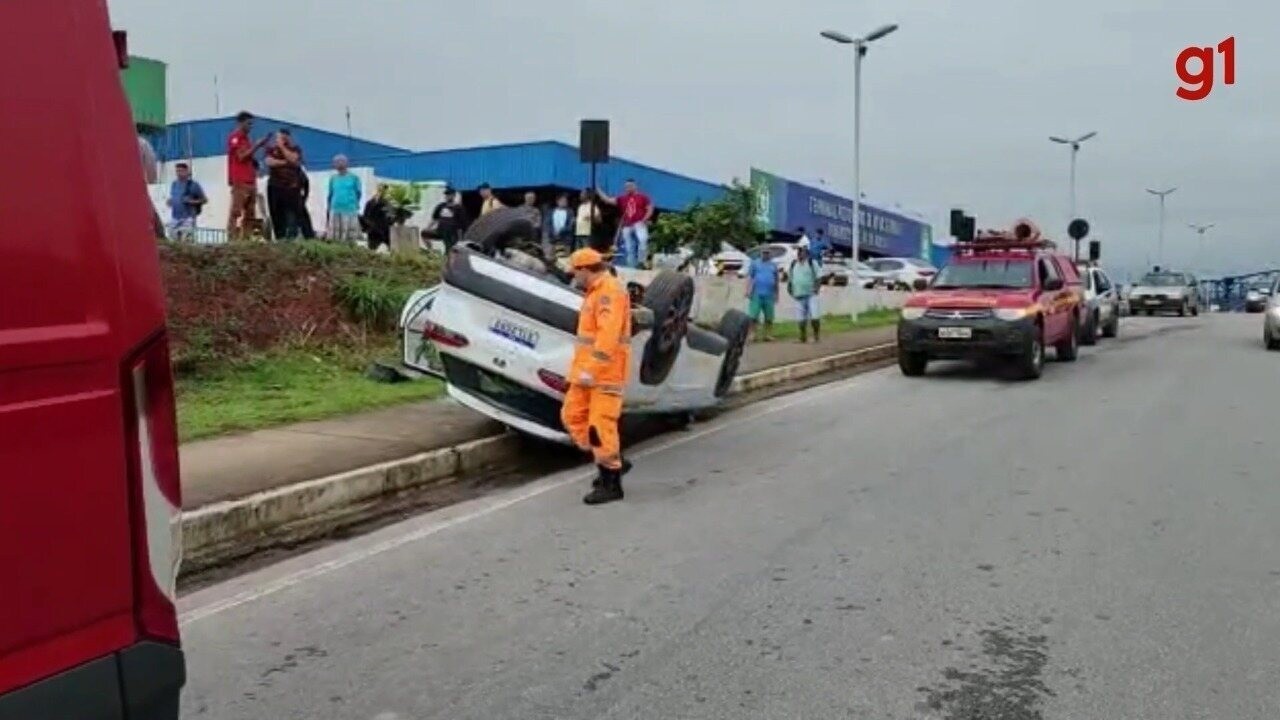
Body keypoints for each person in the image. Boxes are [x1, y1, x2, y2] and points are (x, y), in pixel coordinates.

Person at [561, 248, 634, 505]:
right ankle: (612, 460)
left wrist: (592, 369)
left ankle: (611, 481)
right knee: (573, 416)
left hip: (604, 374)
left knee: (599, 427)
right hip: (586, 373)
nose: (573, 278)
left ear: (585, 270)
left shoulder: (609, 291)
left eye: (575, 272)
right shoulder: (596, 291)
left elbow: (608, 335)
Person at [226, 111, 271, 241]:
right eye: (248, 124)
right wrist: (257, 145)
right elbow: (241, 156)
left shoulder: (246, 139)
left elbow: (248, 157)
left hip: (251, 180)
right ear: (240, 123)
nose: (251, 127)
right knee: (236, 211)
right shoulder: (235, 138)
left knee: (250, 213)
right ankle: (232, 239)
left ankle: (245, 239)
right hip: (240, 180)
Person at [596, 179, 653, 268]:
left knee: (642, 241)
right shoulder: (622, 198)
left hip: (639, 223)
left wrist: (644, 219)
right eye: (626, 186)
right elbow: (607, 200)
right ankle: (632, 266)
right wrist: (599, 190)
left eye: (630, 186)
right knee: (629, 247)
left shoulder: (643, 197)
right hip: (627, 225)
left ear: (635, 186)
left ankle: (641, 261)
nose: (628, 188)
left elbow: (650, 208)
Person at [265, 128, 306, 240]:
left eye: (283, 137)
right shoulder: (271, 149)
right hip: (275, 186)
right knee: (276, 213)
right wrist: (285, 162)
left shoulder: (295, 149)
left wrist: (283, 148)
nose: (280, 140)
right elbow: (269, 162)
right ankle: (280, 237)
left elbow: (293, 159)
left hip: (291, 187)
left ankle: (291, 237)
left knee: (291, 214)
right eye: (279, 137)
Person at [787, 244, 823, 343]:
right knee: (800, 319)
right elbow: (790, 278)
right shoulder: (793, 264)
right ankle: (803, 337)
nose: (799, 253)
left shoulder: (812, 263)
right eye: (798, 251)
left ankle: (816, 335)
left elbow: (819, 277)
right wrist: (789, 287)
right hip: (798, 295)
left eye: (801, 251)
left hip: (811, 294)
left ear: (806, 253)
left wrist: (816, 288)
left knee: (815, 316)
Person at [165, 162, 207, 241]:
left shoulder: (193, 185)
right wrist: (170, 201)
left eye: (181, 171)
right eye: (177, 171)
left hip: (188, 217)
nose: (179, 173)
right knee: (173, 239)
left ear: (187, 172)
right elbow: (174, 196)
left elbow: (204, 200)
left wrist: (191, 201)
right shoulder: (174, 184)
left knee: (186, 240)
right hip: (175, 217)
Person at [326, 154, 363, 243]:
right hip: (335, 209)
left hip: (349, 209)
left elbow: (358, 193)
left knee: (349, 236)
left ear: (347, 163)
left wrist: (355, 204)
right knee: (335, 236)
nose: (339, 164)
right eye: (336, 162)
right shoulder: (333, 178)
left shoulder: (354, 178)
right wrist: (328, 207)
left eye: (341, 161)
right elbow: (330, 194)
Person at [746, 246, 780, 342]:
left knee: (769, 316)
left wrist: (777, 294)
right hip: (757, 293)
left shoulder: (773, 265)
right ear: (760, 253)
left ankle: (768, 334)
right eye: (764, 252)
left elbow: (776, 280)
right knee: (753, 316)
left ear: (770, 254)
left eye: (767, 253)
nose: (766, 254)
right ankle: (752, 334)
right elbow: (750, 278)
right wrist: (748, 290)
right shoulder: (755, 263)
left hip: (769, 294)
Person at [428, 186, 468, 251]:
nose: (447, 196)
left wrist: (460, 239)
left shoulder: (459, 208)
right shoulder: (441, 206)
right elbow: (434, 219)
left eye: (450, 194)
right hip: (440, 231)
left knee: (450, 249)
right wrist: (428, 228)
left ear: (454, 195)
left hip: (452, 233)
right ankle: (431, 251)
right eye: (446, 194)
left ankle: (449, 256)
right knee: (424, 234)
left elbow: (461, 225)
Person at [361, 184, 392, 251]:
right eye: (379, 190)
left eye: (383, 191)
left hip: (385, 231)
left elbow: (390, 219)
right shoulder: (369, 203)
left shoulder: (388, 204)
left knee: (390, 249)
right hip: (373, 231)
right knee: (372, 250)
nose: (381, 192)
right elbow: (365, 217)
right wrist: (368, 228)